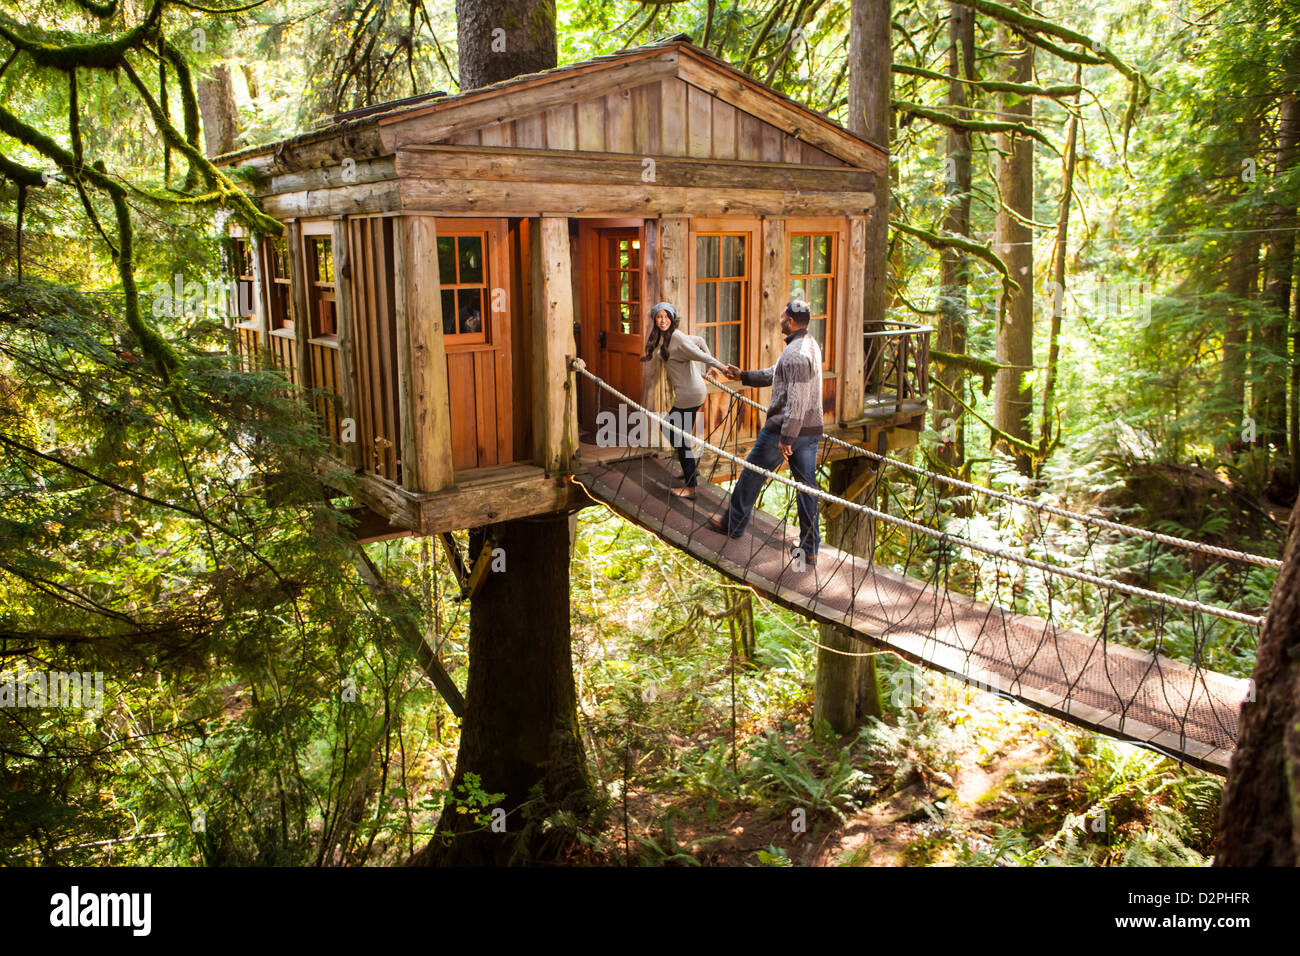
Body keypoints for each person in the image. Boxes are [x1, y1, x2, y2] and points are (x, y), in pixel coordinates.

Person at [708, 299, 824, 567]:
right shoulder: (808, 344)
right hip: (809, 431)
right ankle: (810, 548)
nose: (780, 319)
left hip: (785, 432)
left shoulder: (796, 353)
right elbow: (776, 374)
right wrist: (743, 376)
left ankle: (732, 524)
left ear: (791, 322)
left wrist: (786, 439)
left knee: (751, 474)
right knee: (807, 487)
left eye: (783, 316)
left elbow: (794, 403)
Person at [641, 301, 728, 499]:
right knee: (680, 435)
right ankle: (691, 470)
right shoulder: (668, 337)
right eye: (659, 317)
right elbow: (698, 340)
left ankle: (691, 487)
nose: (663, 320)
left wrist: (718, 366)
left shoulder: (677, 338)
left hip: (689, 394)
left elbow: (697, 352)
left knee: (672, 432)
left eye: (666, 317)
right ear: (655, 319)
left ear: (672, 319)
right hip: (692, 392)